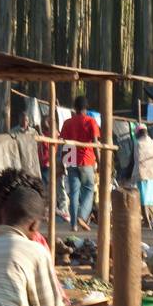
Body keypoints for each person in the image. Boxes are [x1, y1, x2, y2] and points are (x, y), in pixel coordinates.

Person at [59, 95, 100, 231]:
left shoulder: (67, 123)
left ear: (74, 108)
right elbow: (95, 142)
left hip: (71, 158)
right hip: (86, 158)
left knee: (74, 193)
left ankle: (74, 225)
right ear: (86, 107)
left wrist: (62, 161)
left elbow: (63, 144)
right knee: (88, 189)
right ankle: (81, 216)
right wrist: (99, 161)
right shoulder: (90, 121)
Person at [129, 123, 153, 228]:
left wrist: (128, 173)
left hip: (142, 173)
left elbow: (134, 159)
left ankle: (147, 221)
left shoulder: (138, 143)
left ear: (138, 133)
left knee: (143, 198)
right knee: (150, 198)